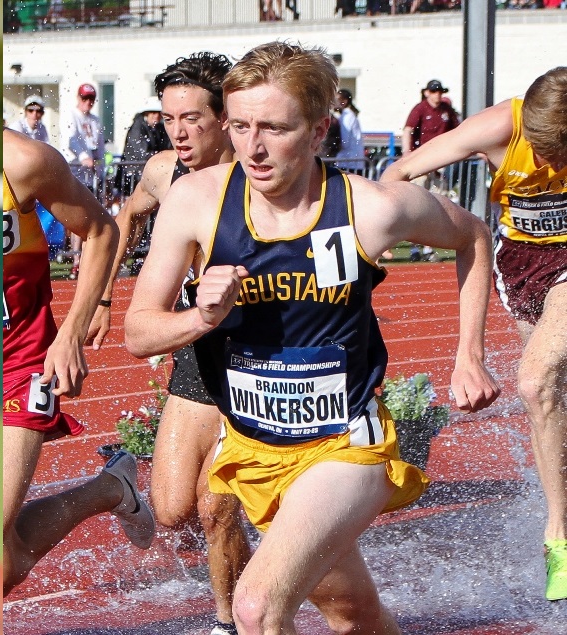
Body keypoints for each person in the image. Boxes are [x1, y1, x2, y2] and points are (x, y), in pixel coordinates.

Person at [124, 41, 500, 633]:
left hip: (344, 442)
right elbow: (138, 332)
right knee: (352, 615)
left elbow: (474, 237)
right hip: (254, 446)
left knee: (256, 607)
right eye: (241, 125)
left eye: (274, 127)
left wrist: (469, 355)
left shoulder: (370, 209)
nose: (253, 146)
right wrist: (202, 317)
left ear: (319, 128)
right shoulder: (196, 201)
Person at [380, 66, 567, 601]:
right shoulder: (496, 126)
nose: (549, 161)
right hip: (523, 264)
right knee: (553, 398)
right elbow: (399, 171)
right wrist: (395, 226)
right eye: (541, 147)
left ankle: (558, 534)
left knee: (534, 381)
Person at [88, 51, 250, 635]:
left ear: (225, 117)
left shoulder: (258, 173)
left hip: (262, 358)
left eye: (191, 119)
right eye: (168, 118)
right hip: (198, 352)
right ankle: (254, 577)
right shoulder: (163, 171)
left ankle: (230, 621)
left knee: (215, 508)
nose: (177, 131)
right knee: (175, 508)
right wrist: (105, 297)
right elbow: (124, 217)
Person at [3, 128, 154, 597]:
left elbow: (100, 229)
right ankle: (110, 489)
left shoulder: (23, 163)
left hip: (21, 361)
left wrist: (70, 332)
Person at [401, 79, 462, 261]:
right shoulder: (420, 108)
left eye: (440, 92)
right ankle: (414, 247)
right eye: (434, 91)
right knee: (416, 204)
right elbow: (408, 129)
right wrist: (406, 152)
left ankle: (428, 247)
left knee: (436, 206)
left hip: (439, 164)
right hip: (420, 163)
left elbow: (458, 131)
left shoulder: (446, 111)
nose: (437, 95)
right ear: (427, 92)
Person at [60, 83, 106, 279]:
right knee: (78, 216)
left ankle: (86, 259)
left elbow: (101, 147)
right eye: (84, 98)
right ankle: (76, 259)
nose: (88, 102)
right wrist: (83, 158)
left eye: (91, 99)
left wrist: (102, 172)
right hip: (76, 169)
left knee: (92, 216)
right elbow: (72, 140)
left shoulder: (95, 120)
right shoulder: (71, 115)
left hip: (92, 174)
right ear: (78, 98)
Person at [114, 96, 170, 201]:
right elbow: (142, 153)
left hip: (148, 174)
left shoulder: (160, 129)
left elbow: (168, 147)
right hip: (133, 176)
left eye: (159, 114)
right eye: (153, 113)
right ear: (146, 114)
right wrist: (164, 156)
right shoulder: (137, 128)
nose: (156, 116)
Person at [335, 88, 365, 174]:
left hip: (349, 161)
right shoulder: (346, 115)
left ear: (344, 101)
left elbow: (345, 141)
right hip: (351, 161)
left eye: (336, 100)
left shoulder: (347, 117)